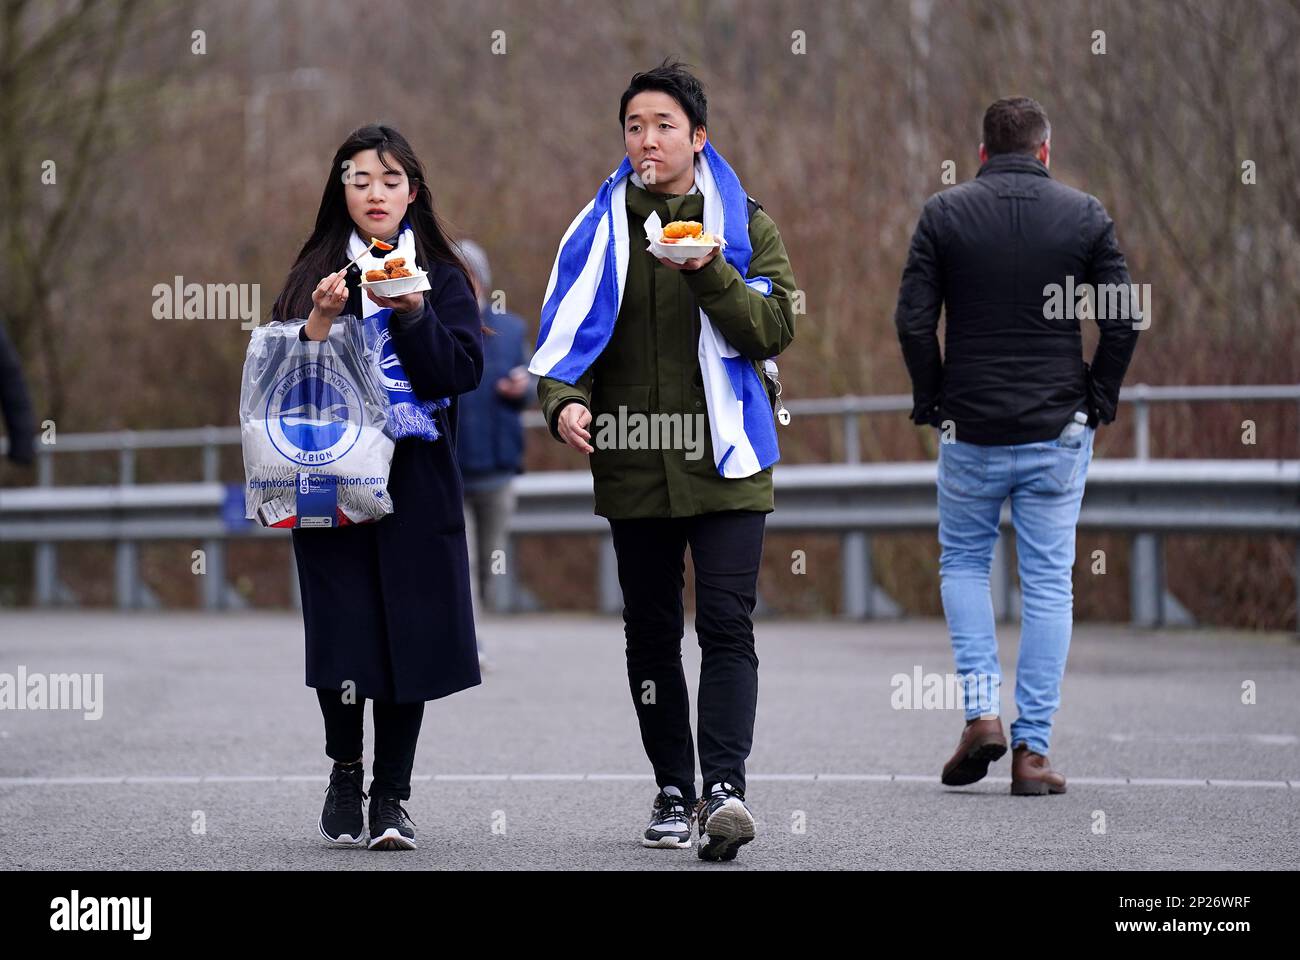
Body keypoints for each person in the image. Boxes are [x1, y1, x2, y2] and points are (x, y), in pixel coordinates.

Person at [533, 60, 797, 860]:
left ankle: (725, 789)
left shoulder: (743, 222)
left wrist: (708, 268)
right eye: (635, 127)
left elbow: (774, 327)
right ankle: (672, 790)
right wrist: (564, 404)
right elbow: (565, 341)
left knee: (726, 625)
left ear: (698, 138)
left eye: (665, 126)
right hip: (634, 465)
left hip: (729, 461)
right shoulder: (597, 228)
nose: (648, 140)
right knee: (650, 636)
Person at [894, 97, 1141, 795]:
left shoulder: (944, 215)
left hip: (969, 426)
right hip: (1056, 428)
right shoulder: (1084, 215)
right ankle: (1033, 752)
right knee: (1049, 584)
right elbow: (1123, 322)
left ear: (980, 154)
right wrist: (1098, 398)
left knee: (967, 564)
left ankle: (981, 716)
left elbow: (913, 322)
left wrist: (931, 398)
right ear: (1045, 151)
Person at [270, 124, 484, 849]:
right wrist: (320, 322)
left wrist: (415, 312)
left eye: (390, 180)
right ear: (341, 190)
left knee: (409, 640)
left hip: (417, 484)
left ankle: (392, 796)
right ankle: (344, 766)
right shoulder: (313, 273)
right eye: (359, 179)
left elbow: (460, 374)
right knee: (345, 635)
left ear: (412, 192)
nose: (375, 193)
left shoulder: (445, 276)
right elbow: (279, 383)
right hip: (328, 482)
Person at [452, 239, 533, 658]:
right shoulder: (434, 325)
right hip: (450, 469)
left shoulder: (511, 329)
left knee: (488, 562)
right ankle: (468, 639)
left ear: (481, 280)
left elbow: (536, 382)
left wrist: (525, 387)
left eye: (467, 274)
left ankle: (472, 626)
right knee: (459, 562)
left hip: (498, 470)